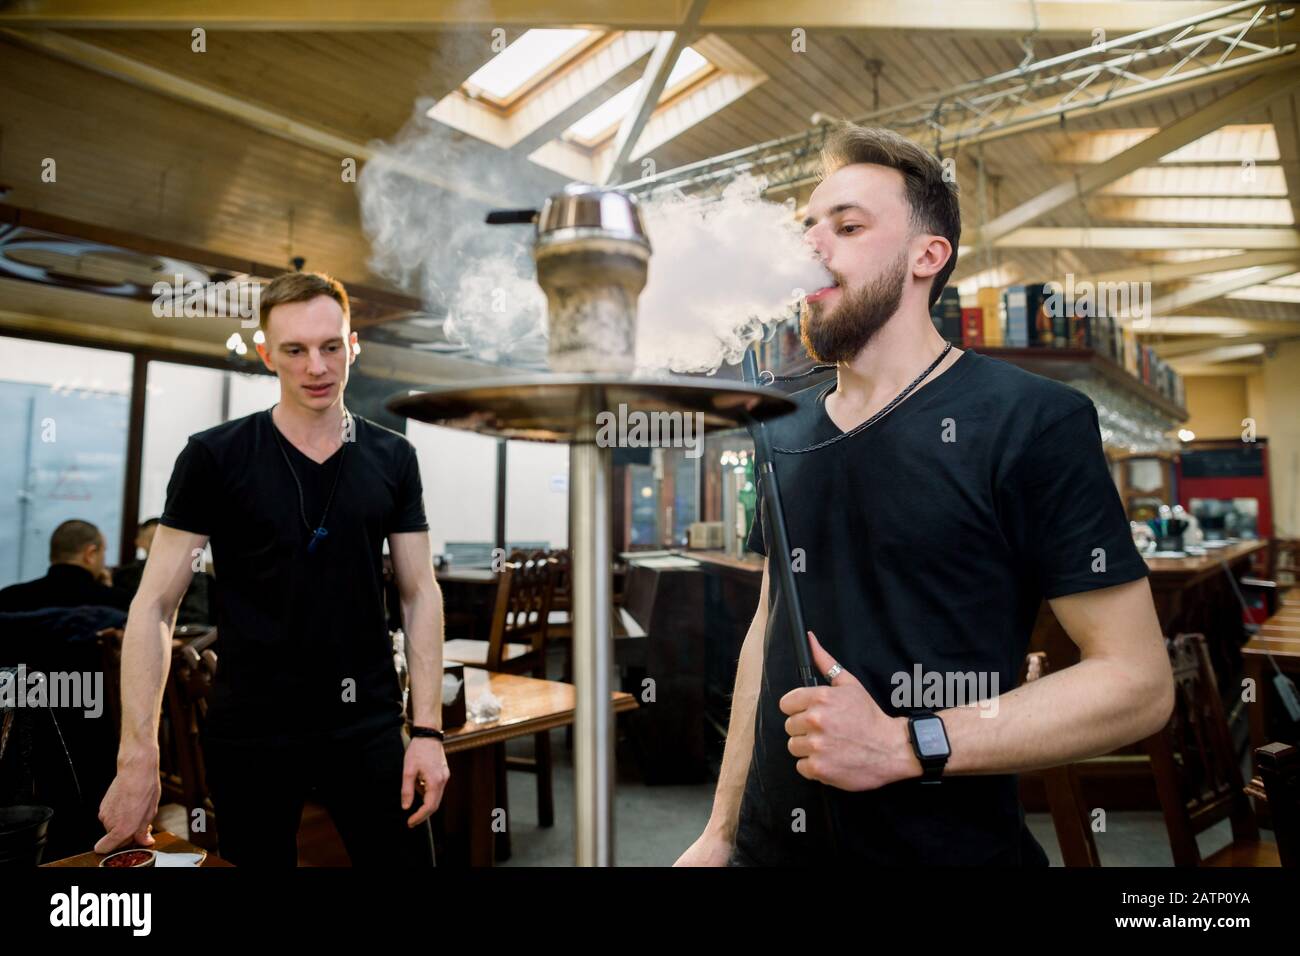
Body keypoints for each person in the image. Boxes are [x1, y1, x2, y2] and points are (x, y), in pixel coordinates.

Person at [676, 125, 1174, 866]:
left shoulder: (1032, 420)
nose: (812, 245)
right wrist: (721, 831)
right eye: (806, 228)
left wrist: (909, 742)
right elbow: (769, 628)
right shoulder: (780, 428)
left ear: (926, 256)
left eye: (847, 225)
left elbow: (1137, 684)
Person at [95, 271, 449, 866]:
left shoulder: (393, 456)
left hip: (366, 723)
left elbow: (420, 594)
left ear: (352, 346)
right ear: (266, 354)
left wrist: (429, 731)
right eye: (295, 350)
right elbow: (154, 606)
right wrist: (139, 758)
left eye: (331, 346)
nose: (317, 366)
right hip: (252, 728)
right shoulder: (214, 456)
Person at [0, 519, 132, 613]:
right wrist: (109, 590)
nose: (104, 560)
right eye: (103, 551)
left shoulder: (9, 598)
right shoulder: (118, 603)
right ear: (90, 554)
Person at [111, 517, 213, 627]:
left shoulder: (192, 574)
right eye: (151, 540)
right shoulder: (124, 575)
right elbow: (120, 615)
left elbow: (198, 617)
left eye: (167, 540)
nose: (158, 545)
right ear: (139, 542)